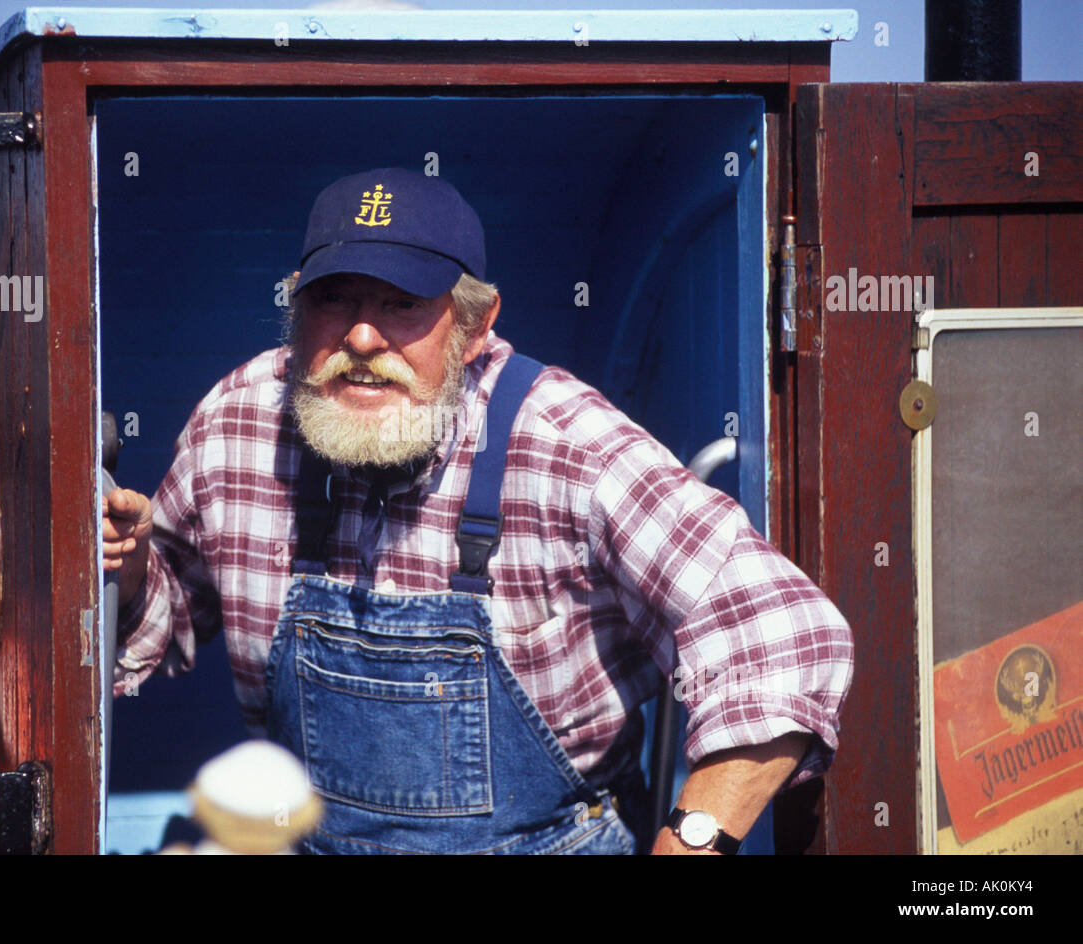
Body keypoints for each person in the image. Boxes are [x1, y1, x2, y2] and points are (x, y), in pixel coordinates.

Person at [102, 167, 854, 854]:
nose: (363, 338)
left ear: (477, 325)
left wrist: (692, 840)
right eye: (336, 299)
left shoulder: (565, 442)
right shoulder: (241, 422)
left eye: (402, 305)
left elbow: (789, 638)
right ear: (298, 302)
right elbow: (166, 617)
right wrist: (132, 574)